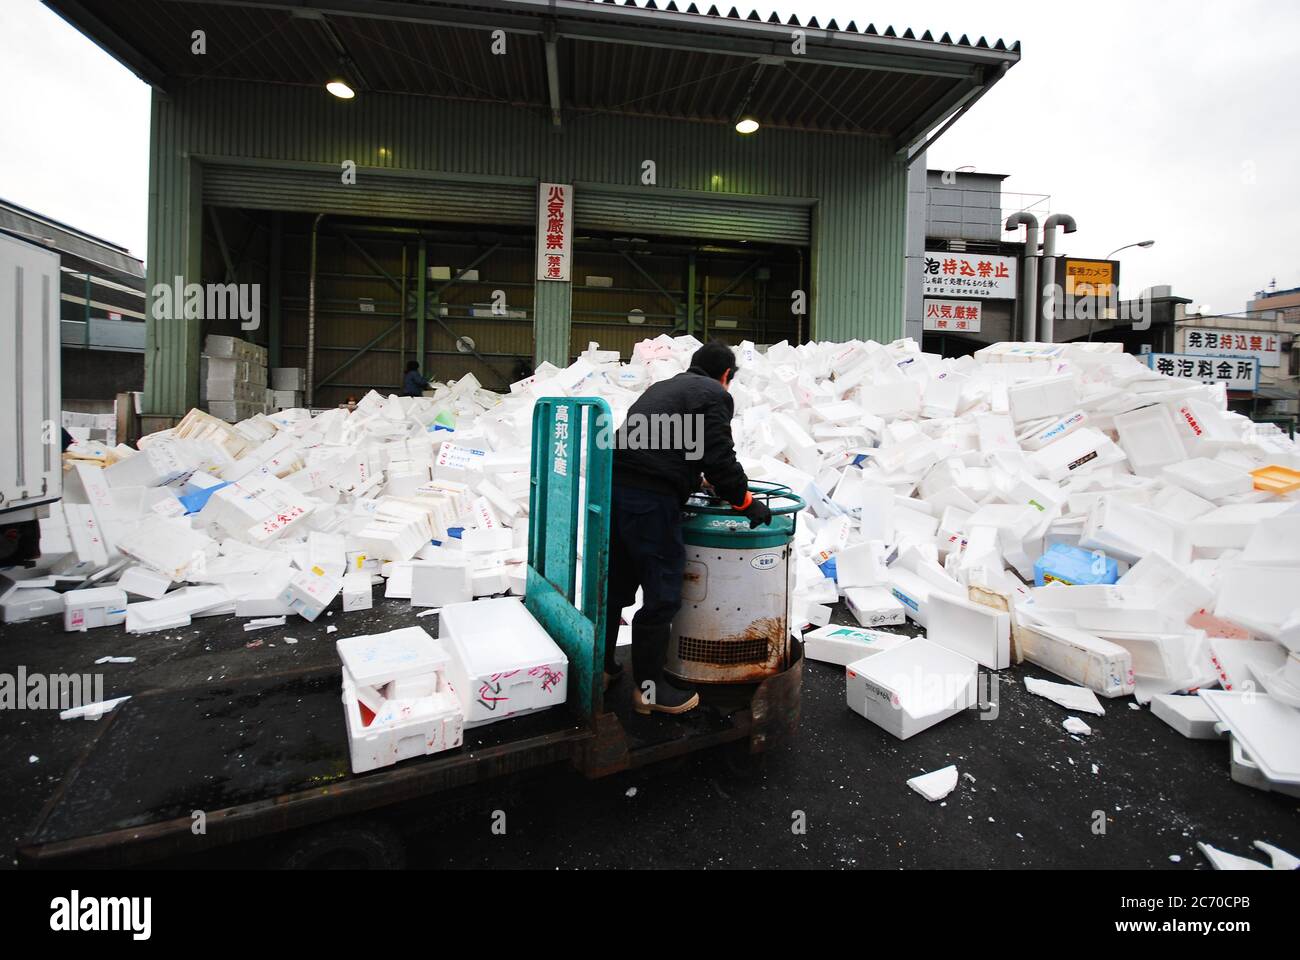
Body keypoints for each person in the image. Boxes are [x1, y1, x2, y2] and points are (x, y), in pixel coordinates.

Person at [605, 340, 772, 717]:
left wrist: (691, 477)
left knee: (615, 585)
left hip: (614, 489)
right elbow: (717, 454)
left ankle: (602, 668)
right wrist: (744, 501)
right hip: (651, 502)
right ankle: (649, 692)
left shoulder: (663, 388)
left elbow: (662, 445)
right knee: (663, 592)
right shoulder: (714, 393)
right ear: (727, 375)